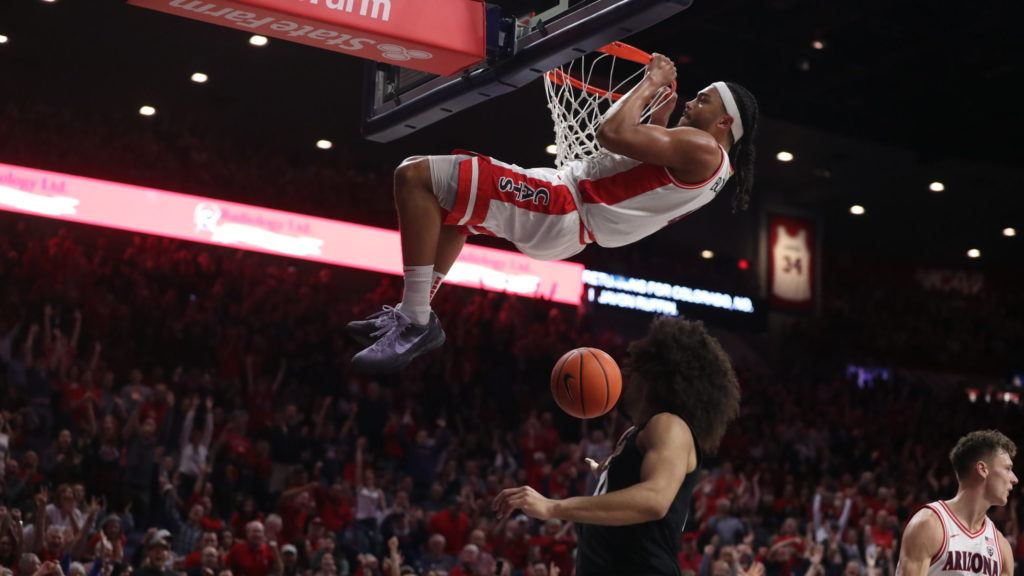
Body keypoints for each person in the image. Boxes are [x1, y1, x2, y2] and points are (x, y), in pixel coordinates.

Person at [345, 54, 759, 372]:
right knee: (451, 212)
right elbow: (635, 161)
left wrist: (650, 82)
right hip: (569, 221)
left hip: (562, 204)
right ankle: (413, 314)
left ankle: (416, 319)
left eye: (703, 99)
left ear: (724, 121)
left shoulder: (704, 148)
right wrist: (660, 114)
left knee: (415, 175)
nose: (692, 101)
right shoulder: (714, 170)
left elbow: (611, 134)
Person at [492, 316, 742, 576]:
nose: (624, 376)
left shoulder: (669, 425)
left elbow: (654, 500)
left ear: (652, 378)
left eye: (632, 370)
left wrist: (552, 506)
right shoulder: (635, 434)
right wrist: (609, 475)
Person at [895, 430, 1018, 576]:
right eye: (1008, 469)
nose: (1014, 479)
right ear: (983, 469)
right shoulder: (928, 524)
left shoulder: (1002, 547)